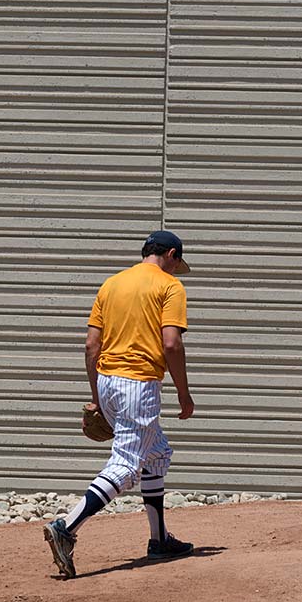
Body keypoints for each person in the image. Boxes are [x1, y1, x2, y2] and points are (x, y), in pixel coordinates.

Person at [43, 230, 197, 579]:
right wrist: (184, 394)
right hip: (138, 384)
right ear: (171, 254)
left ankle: (159, 541)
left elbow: (90, 347)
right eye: (177, 264)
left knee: (156, 453)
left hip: (108, 381)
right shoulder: (169, 287)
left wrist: (97, 397)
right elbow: (171, 344)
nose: (176, 270)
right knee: (126, 464)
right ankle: (66, 527)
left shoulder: (111, 284)